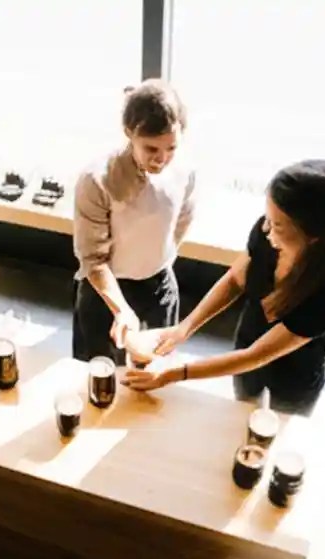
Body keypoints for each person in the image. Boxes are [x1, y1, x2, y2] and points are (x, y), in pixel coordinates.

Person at [123, 159, 325, 415]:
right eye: (268, 218)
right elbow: (235, 279)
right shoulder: (265, 232)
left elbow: (255, 356)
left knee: (277, 425)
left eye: (278, 225)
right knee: (241, 409)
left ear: (315, 234)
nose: (266, 230)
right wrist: (184, 327)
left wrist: (174, 374)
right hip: (250, 336)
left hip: (296, 370)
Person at [72, 79, 197, 363]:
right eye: (151, 149)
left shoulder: (186, 172)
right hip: (106, 290)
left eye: (171, 148)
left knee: (154, 371)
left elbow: (182, 222)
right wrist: (121, 309)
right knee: (100, 370)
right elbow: (92, 259)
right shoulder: (97, 179)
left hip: (159, 285)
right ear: (129, 133)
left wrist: (156, 258)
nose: (162, 159)